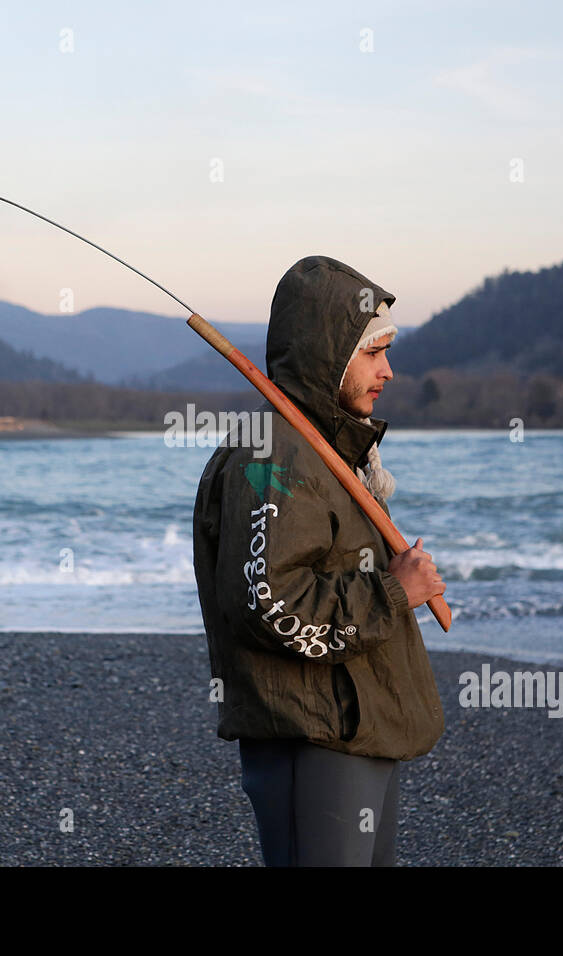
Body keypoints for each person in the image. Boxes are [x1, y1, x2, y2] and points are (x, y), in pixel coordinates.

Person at [192, 254, 446, 866]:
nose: (388, 370)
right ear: (327, 351)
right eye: (373, 351)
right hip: (312, 734)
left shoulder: (328, 446)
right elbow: (266, 601)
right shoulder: (275, 454)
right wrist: (395, 591)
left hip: (357, 724)